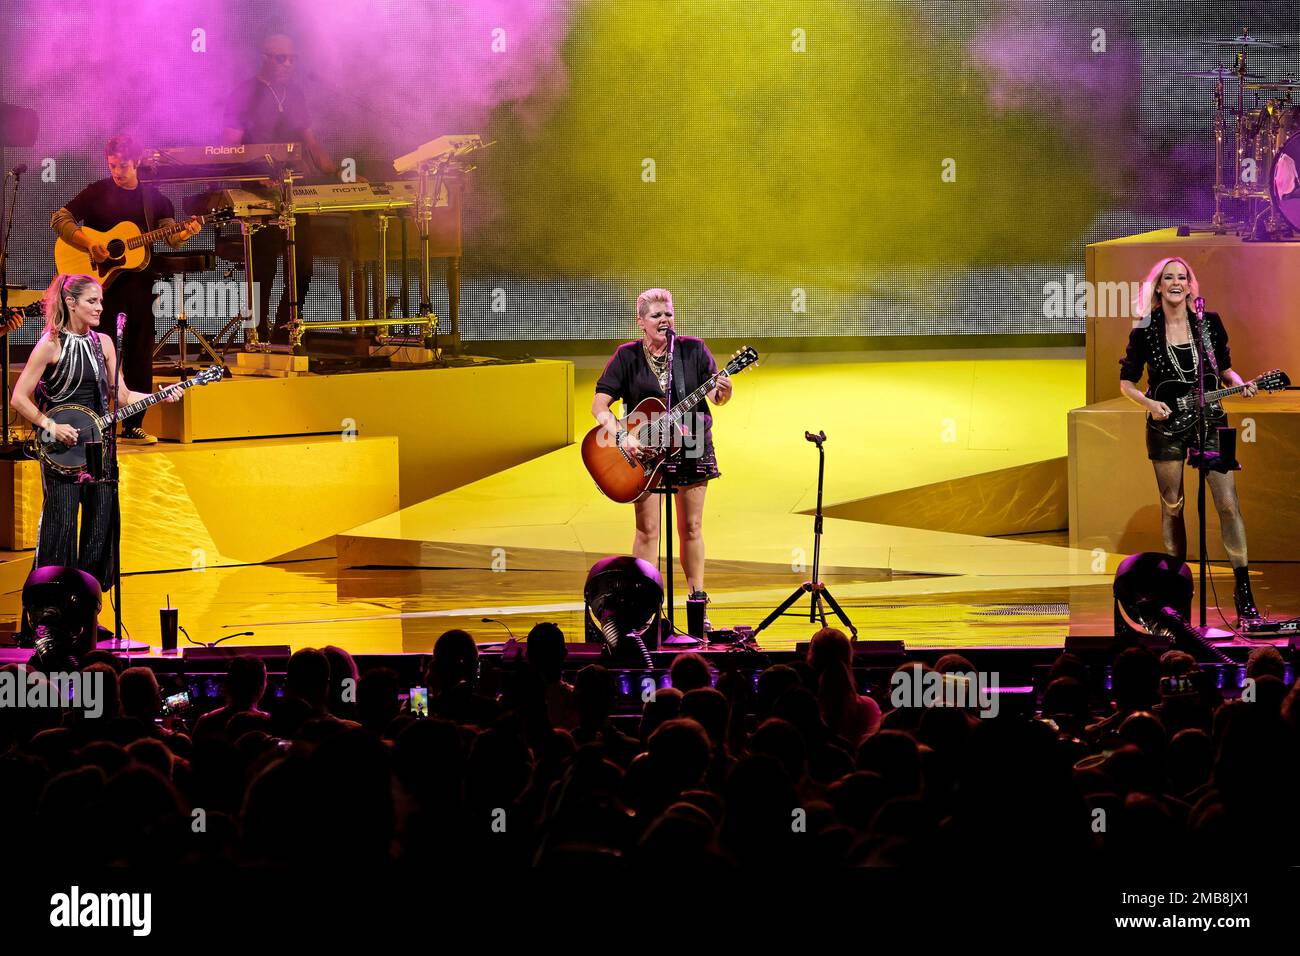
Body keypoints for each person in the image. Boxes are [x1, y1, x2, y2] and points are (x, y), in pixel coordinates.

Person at [9, 275, 180, 587]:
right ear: (71, 303)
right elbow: (19, 397)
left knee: (99, 527)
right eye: (92, 301)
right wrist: (51, 425)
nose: (100, 307)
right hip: (62, 451)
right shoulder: (50, 344)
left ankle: (88, 607)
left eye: (101, 300)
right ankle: (53, 610)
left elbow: (124, 396)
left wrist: (161, 396)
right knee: (59, 526)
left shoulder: (104, 344)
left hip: (99, 449)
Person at [1119, 256, 1261, 623]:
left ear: (1190, 284)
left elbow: (1225, 368)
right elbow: (1126, 383)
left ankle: (1243, 592)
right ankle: (1176, 593)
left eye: (1183, 277)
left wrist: (1240, 384)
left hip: (1210, 419)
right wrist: (1149, 404)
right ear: (1159, 286)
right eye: (1169, 278)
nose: (1177, 283)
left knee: (1228, 504)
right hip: (1165, 426)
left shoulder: (1208, 325)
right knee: (1173, 505)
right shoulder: (1146, 331)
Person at [50, 136, 201, 444]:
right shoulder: (97, 191)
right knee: (95, 353)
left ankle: (133, 424)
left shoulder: (156, 200)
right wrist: (90, 243)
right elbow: (60, 218)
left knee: (138, 354)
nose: (117, 171)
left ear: (137, 162)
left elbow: (170, 237)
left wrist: (186, 232)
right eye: (112, 165)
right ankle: (93, 423)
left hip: (139, 289)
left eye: (122, 165)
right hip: (98, 291)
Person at [591, 289, 733, 609]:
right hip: (644, 452)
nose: (664, 320)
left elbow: (716, 399)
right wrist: (620, 435)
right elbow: (599, 404)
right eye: (656, 315)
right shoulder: (626, 356)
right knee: (647, 529)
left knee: (692, 527)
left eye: (668, 314)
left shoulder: (693, 350)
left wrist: (725, 391)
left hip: (692, 442)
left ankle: (697, 601)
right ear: (641, 322)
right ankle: (644, 605)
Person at [221, 32, 337, 342]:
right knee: (263, 269)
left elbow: (310, 141)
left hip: (293, 194)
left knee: (303, 266)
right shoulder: (245, 93)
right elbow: (229, 147)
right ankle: (255, 332)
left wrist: (340, 174)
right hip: (259, 196)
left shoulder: (295, 94)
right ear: (265, 58)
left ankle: (285, 332)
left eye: (292, 58)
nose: (288, 64)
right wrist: (253, 176)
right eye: (281, 58)